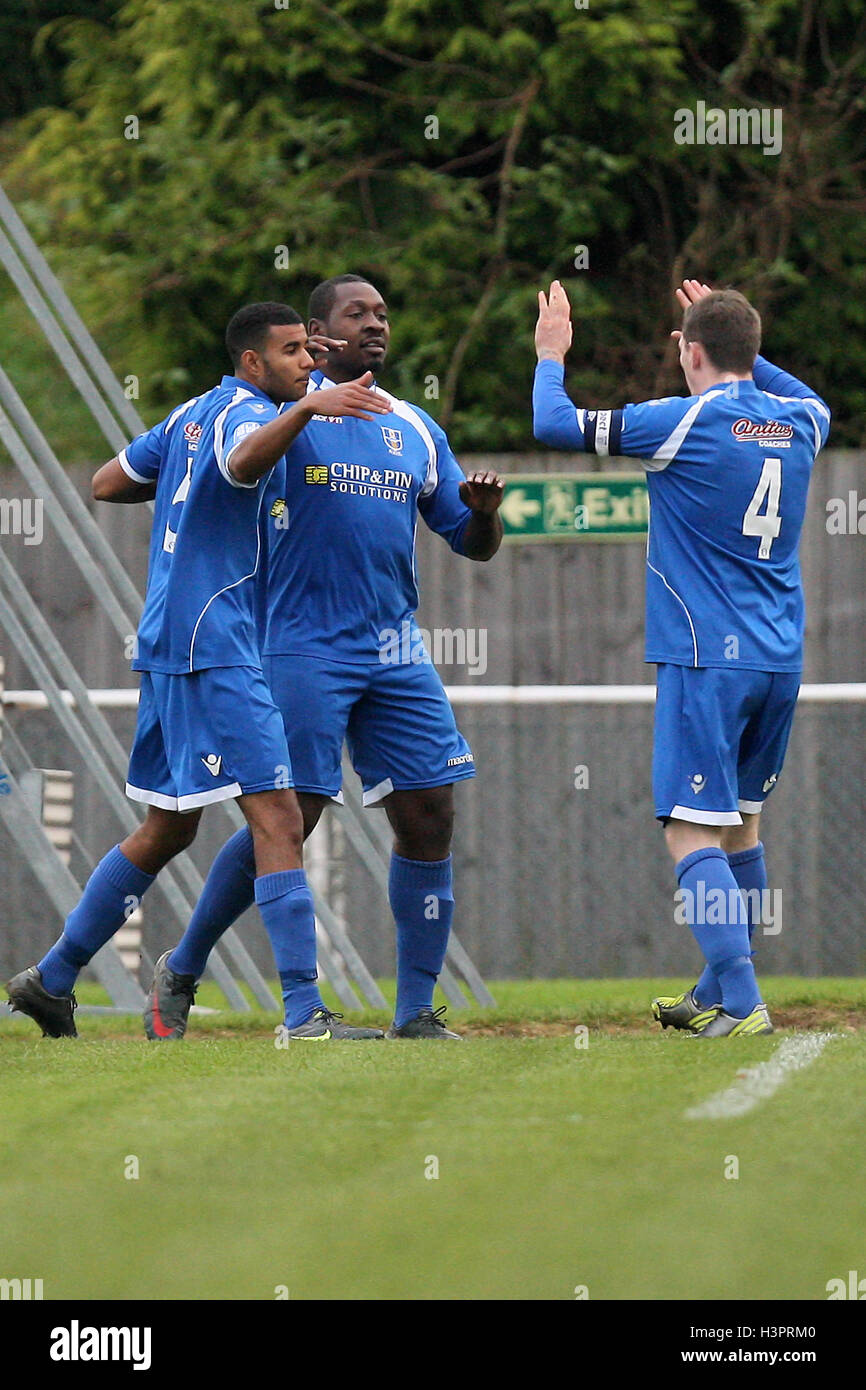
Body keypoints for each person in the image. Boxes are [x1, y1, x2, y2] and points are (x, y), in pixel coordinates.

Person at [6, 301, 389, 1042]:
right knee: (278, 816)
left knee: (168, 827)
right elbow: (244, 459)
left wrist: (191, 487)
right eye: (291, 354)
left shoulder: (192, 411)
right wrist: (309, 409)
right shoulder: (247, 413)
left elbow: (108, 480)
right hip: (216, 640)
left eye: (308, 354)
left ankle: (52, 979)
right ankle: (306, 1013)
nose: (308, 364)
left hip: (166, 639)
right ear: (252, 363)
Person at [148, 274, 504, 1041]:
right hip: (297, 639)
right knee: (290, 818)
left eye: (383, 310)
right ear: (319, 332)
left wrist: (486, 519)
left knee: (431, 810)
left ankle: (415, 1013)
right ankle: (184, 965)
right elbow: (221, 472)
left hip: (395, 646)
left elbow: (468, 545)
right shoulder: (276, 413)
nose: (376, 322)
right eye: (357, 312)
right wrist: (299, 400)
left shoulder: (412, 426)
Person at [533, 277, 831, 1036]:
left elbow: (552, 422)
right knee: (741, 829)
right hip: (779, 658)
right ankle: (715, 989)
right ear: (752, 351)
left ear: (687, 352)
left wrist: (551, 353)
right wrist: (724, 336)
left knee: (687, 828)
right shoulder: (803, 420)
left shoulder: (681, 421)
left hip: (706, 657)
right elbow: (776, 379)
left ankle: (742, 999)